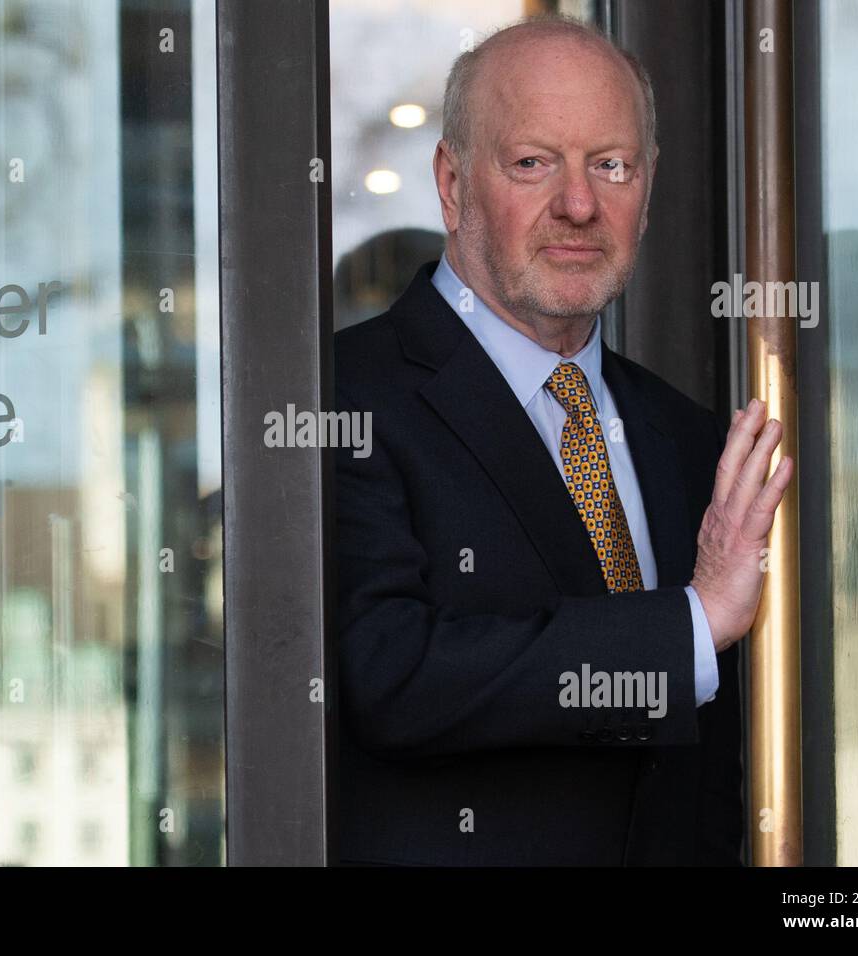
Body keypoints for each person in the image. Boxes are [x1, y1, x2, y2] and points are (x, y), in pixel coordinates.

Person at [333, 15, 794, 865]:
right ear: (452, 182)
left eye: (611, 166)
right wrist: (687, 628)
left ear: (647, 190)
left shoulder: (687, 437)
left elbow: (699, 790)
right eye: (532, 163)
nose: (579, 204)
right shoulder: (345, 400)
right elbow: (390, 675)